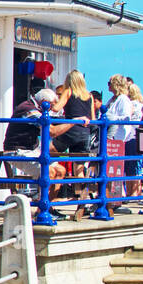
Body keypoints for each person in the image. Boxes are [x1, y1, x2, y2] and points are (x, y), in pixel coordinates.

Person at [53, 70, 96, 219]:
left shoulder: (69, 92)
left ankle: (49, 189)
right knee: (79, 170)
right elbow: (93, 118)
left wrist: (51, 103)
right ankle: (82, 203)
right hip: (84, 134)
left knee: (47, 151)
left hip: (70, 130)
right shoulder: (89, 96)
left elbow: (57, 108)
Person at [104, 74, 136, 203]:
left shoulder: (123, 99)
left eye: (110, 83)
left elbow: (126, 117)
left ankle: (118, 196)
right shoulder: (114, 99)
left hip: (117, 137)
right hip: (112, 136)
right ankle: (114, 195)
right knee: (112, 168)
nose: (108, 85)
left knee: (116, 167)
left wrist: (111, 119)